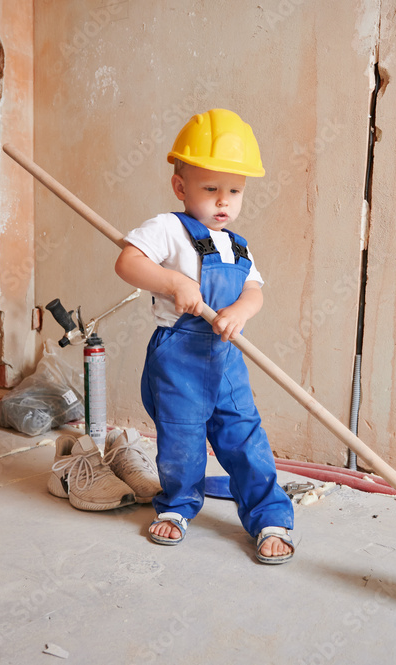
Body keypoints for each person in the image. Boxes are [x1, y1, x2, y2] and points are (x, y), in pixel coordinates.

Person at [114, 109, 295, 564]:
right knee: (182, 438)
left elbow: (254, 290)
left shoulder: (236, 245)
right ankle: (176, 507)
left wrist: (239, 312)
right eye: (211, 189)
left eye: (234, 191)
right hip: (179, 354)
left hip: (226, 355)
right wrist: (173, 283)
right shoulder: (169, 229)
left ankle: (270, 515)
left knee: (244, 434)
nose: (223, 201)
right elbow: (128, 263)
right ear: (181, 187)